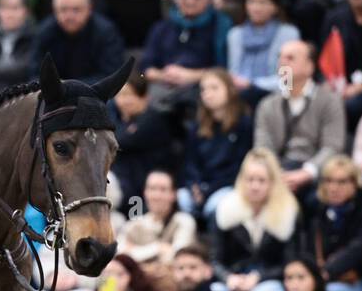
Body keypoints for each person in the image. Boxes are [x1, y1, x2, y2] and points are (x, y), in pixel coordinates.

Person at [212, 146, 302, 291]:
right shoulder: (226, 210)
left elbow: (290, 262)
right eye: (250, 179)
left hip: (268, 281)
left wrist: (259, 277)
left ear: (272, 183)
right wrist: (228, 278)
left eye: (261, 180)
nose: (255, 186)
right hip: (234, 279)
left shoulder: (287, 213)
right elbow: (215, 260)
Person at [253, 39, 346, 196]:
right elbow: (262, 148)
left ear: (310, 67)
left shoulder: (330, 101)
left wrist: (307, 172)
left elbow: (332, 147)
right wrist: (276, 174)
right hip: (276, 175)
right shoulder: (267, 105)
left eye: (290, 58)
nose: (282, 62)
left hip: (316, 175)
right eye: (280, 57)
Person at [141, 0, 232, 108]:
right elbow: (145, 68)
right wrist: (164, 75)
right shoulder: (162, 27)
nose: (190, 1)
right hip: (162, 90)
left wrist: (193, 76)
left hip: (202, 92)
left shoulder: (222, 26)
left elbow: (225, 70)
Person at [303, 154, 362, 291]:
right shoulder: (318, 209)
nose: (333, 188)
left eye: (341, 182)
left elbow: (360, 248)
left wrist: (327, 271)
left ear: (355, 183)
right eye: (329, 181)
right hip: (323, 278)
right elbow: (308, 250)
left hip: (359, 279)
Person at [178, 67, 253, 219]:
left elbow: (240, 166)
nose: (208, 93)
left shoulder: (244, 124)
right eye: (203, 89)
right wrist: (195, 186)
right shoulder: (197, 127)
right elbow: (190, 163)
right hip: (201, 185)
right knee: (182, 198)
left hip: (228, 185)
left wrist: (209, 189)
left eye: (214, 88)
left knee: (214, 205)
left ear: (230, 90)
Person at [31, 0, 127, 85]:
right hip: (55, 92)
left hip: (96, 91)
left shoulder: (106, 32)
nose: (69, 16)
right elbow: (35, 74)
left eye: (76, 10)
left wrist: (70, 87)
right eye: (63, 10)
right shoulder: (44, 32)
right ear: (54, 11)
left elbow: (111, 75)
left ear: (89, 9)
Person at [226, 0, 299, 108]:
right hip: (239, 97)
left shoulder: (289, 33)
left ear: (275, 6)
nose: (256, 8)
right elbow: (233, 73)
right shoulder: (235, 34)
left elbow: (287, 81)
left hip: (274, 97)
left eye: (262, 2)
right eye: (252, 1)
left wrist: (253, 84)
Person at [111, 73, 174, 206]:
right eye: (120, 95)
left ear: (144, 96)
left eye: (129, 95)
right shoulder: (117, 120)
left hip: (143, 187)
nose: (124, 101)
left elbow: (119, 141)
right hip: (123, 181)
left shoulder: (153, 119)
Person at [118, 169, 197, 273]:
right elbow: (120, 258)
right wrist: (158, 248)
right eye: (152, 189)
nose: (156, 196)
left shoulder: (184, 221)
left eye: (163, 190)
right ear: (145, 193)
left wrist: (135, 252)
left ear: (174, 194)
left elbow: (178, 258)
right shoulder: (133, 225)